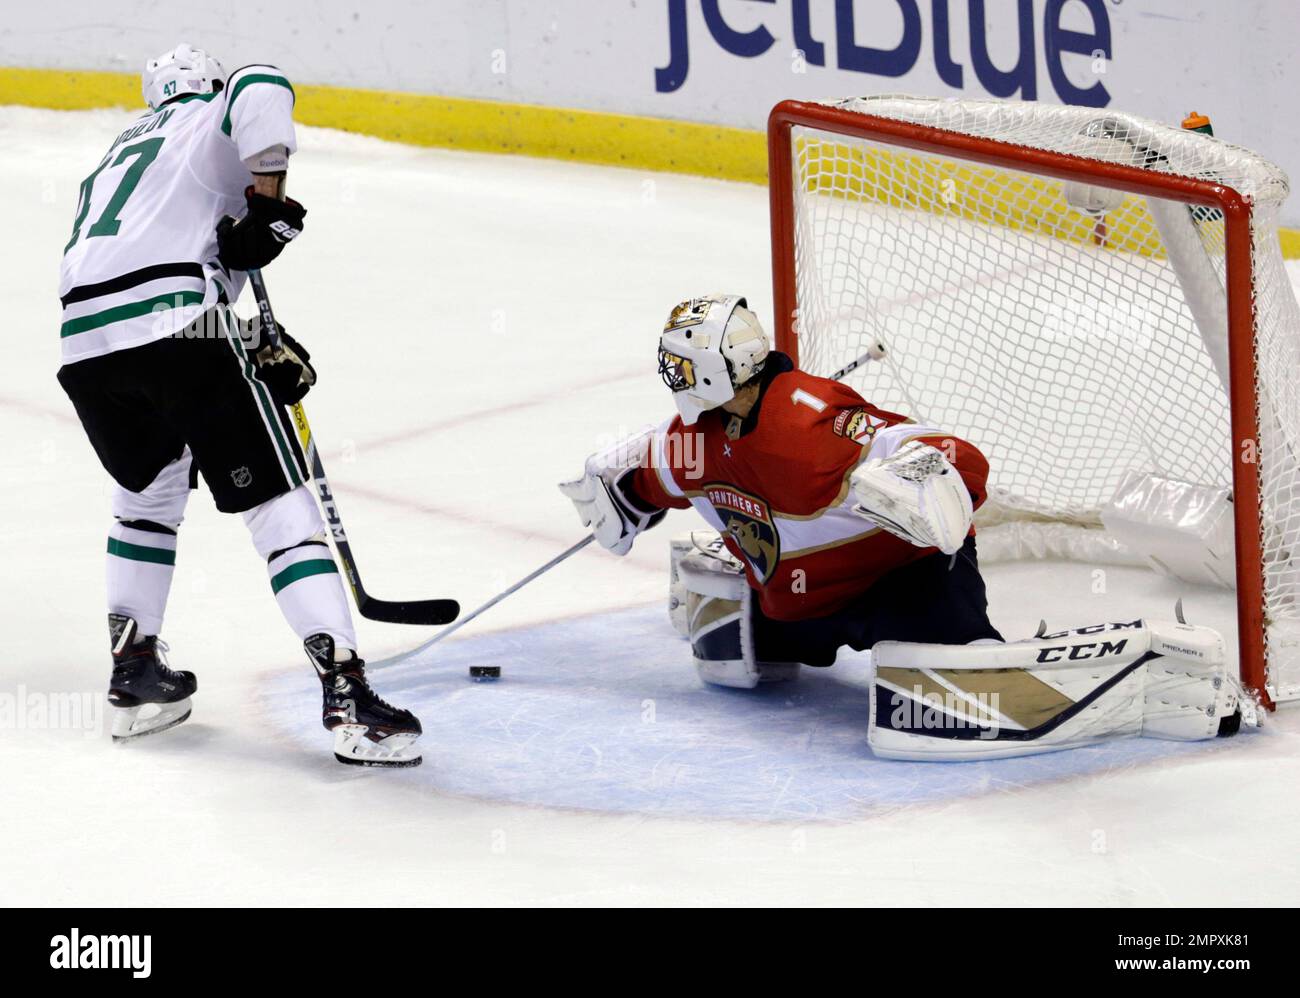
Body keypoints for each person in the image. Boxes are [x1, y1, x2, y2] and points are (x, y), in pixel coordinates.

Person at [560, 295, 1239, 758]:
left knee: (953, 679)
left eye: (679, 363)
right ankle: (755, 610)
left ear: (714, 369)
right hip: (797, 608)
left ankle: (1153, 676)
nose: (669, 375)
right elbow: (643, 479)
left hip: (900, 586)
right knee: (734, 654)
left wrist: (926, 480)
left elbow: (956, 457)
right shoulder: (690, 440)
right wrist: (617, 491)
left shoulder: (810, 422)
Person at [56, 43, 421, 767]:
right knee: (280, 505)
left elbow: (166, 257)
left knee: (144, 503)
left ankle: (135, 678)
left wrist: (246, 333)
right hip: (180, 328)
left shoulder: (111, 162)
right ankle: (346, 695)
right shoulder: (202, 121)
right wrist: (270, 200)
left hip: (86, 350)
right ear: (203, 88)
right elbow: (264, 82)